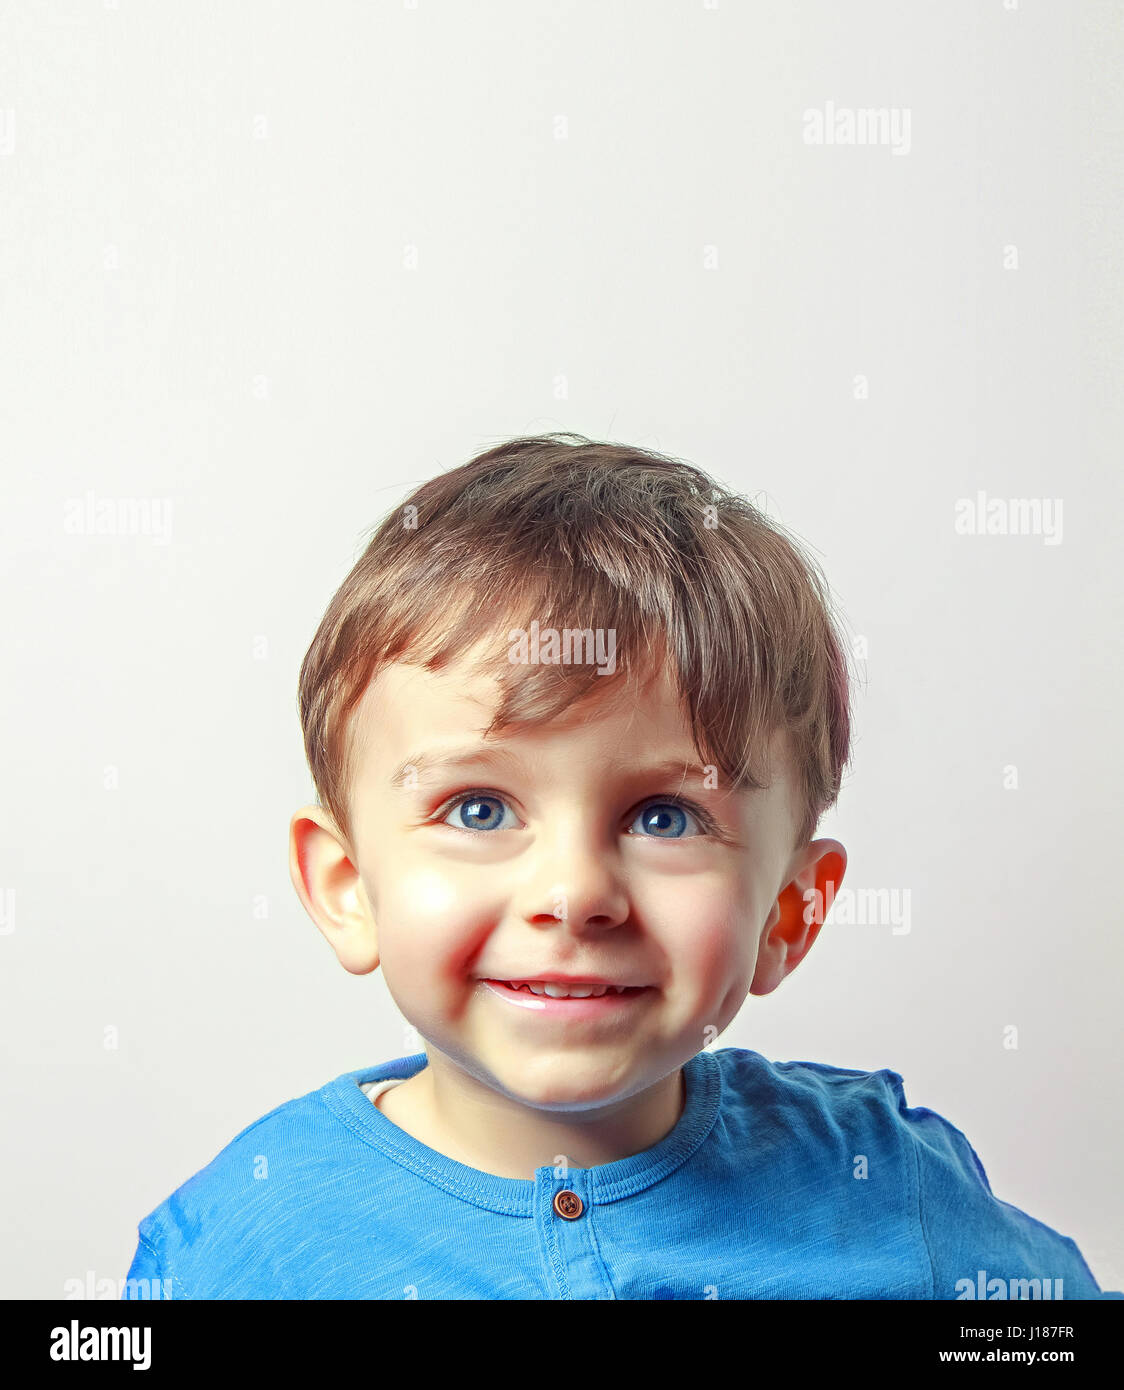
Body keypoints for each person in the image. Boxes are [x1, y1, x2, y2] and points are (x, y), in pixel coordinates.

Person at [122, 433, 1117, 1299]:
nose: (574, 895)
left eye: (663, 816)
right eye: (477, 807)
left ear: (786, 912)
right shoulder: (242, 1244)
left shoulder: (879, 1187)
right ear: (346, 888)